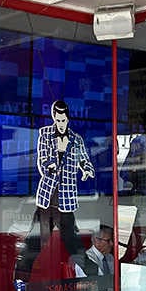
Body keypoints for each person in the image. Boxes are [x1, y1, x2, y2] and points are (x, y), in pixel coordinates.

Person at [35, 99, 95, 253]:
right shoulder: (45, 134)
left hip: (67, 197)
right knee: (38, 242)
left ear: (68, 119)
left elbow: (84, 159)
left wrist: (87, 170)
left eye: (63, 120)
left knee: (72, 242)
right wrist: (49, 165)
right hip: (48, 196)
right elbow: (42, 158)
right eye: (57, 120)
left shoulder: (76, 139)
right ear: (54, 118)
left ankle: (82, 272)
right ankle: (26, 273)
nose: (60, 123)